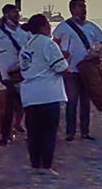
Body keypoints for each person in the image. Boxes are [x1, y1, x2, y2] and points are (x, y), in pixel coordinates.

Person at [17, 14, 68, 175]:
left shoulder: (26, 46)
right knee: (48, 132)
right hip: (47, 93)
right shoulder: (48, 44)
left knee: (33, 133)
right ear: (43, 27)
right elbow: (61, 67)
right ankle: (46, 166)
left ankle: (35, 164)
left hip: (30, 94)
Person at [54, 0, 102, 141]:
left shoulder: (91, 27)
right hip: (70, 70)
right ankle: (70, 132)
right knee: (71, 101)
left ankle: (85, 132)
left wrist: (97, 54)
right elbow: (54, 44)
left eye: (84, 6)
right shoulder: (63, 27)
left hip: (88, 70)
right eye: (80, 7)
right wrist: (62, 54)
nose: (83, 9)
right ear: (72, 9)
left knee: (86, 102)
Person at [0, 3, 29, 146]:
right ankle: (5, 135)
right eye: (13, 13)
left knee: (26, 105)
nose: (17, 15)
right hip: (7, 76)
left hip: (24, 74)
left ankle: (22, 128)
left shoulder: (25, 33)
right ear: (6, 15)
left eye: (17, 13)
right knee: (8, 106)